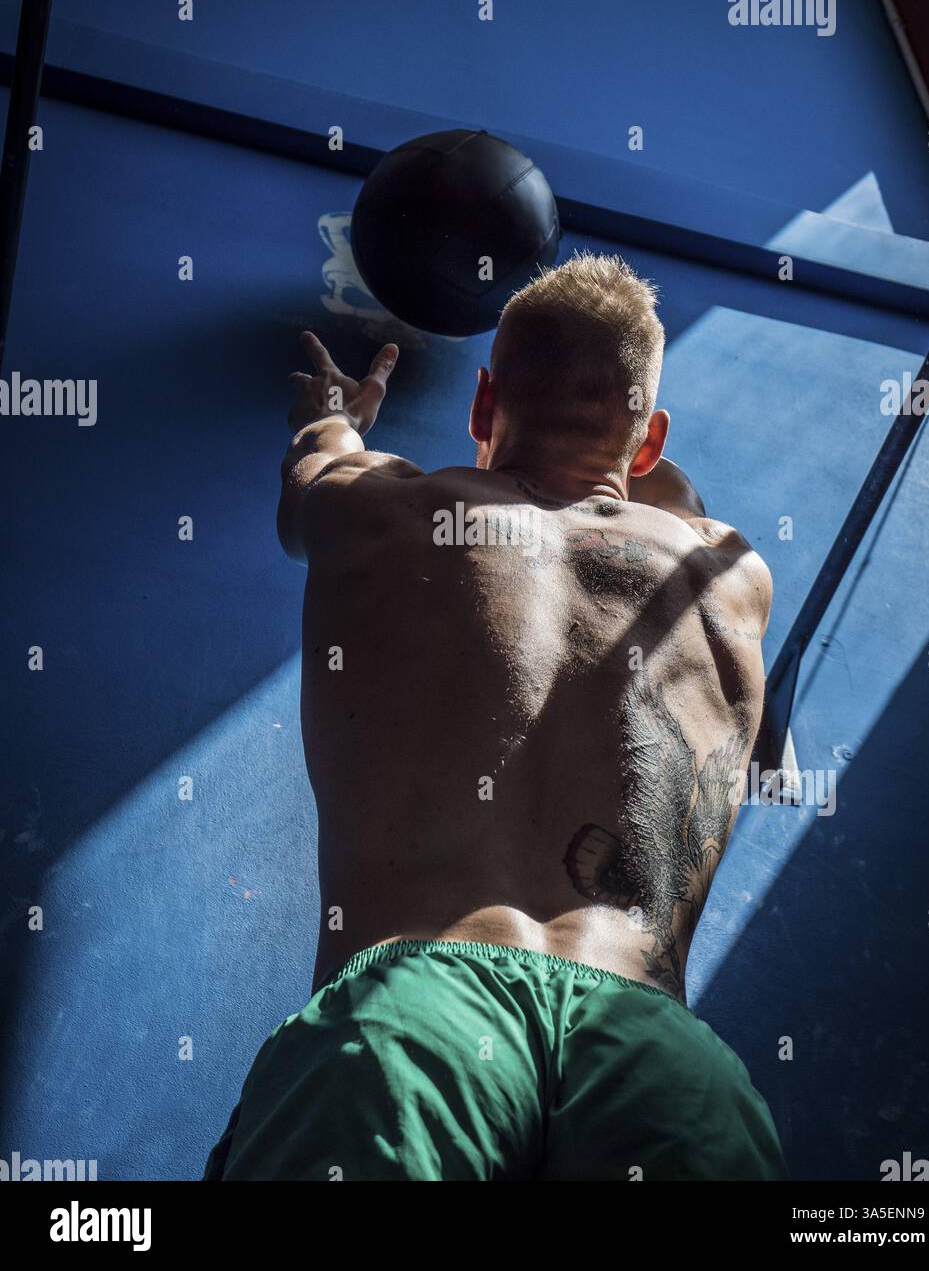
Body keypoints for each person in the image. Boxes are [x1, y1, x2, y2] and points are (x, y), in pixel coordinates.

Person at [204, 251, 787, 1181]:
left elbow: (312, 466)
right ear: (647, 442)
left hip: (417, 1020)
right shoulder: (731, 579)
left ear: (482, 407)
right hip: (656, 1056)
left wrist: (331, 412)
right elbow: (680, 511)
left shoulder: (379, 509)